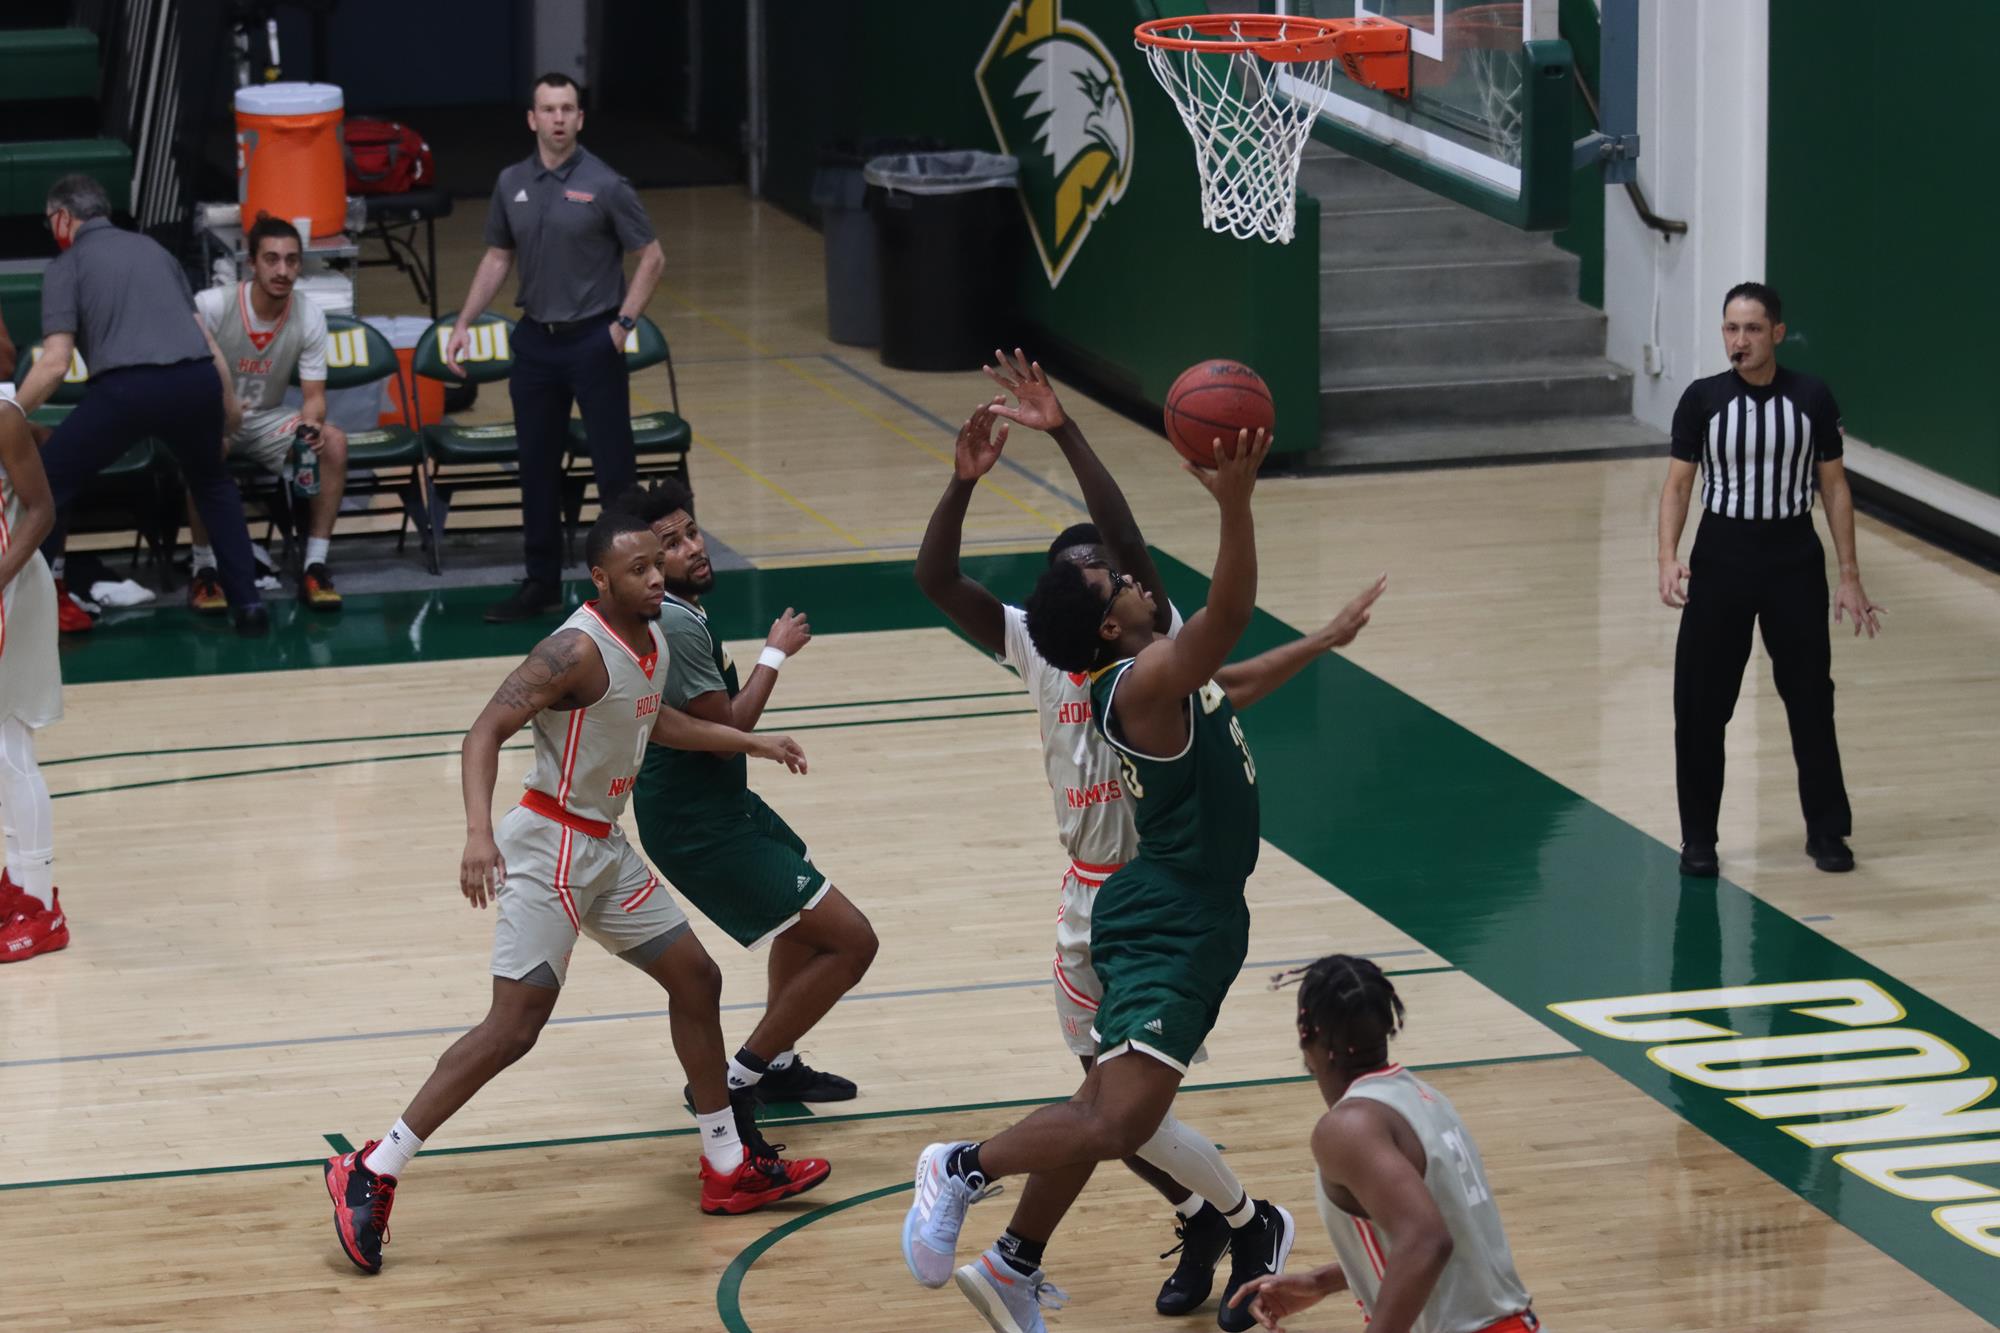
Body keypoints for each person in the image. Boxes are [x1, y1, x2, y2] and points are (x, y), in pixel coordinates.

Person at [914, 351, 1385, 1327]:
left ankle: (1047, 1247)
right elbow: (1218, 620)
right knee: (1111, 1108)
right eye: (1106, 578)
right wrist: (1234, 506)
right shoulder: (1114, 670)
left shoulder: (1155, 659)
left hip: (1165, 893)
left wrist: (1317, 642)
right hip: (1131, 898)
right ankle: (1203, 1213)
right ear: (1095, 617)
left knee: (1112, 1105)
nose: (1127, 576)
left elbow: (1224, 673)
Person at [323, 506, 829, 1276]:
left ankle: (727, 1163)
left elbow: (659, 724)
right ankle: (371, 1166)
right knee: (513, 1027)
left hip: (603, 847)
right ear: (601, 578)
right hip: (549, 847)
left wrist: (748, 740)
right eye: (638, 568)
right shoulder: (572, 651)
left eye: (658, 563)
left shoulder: (655, 638)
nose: (655, 577)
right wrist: (477, 832)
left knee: (697, 978)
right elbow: (482, 733)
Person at [624, 478, 876, 1117]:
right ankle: (738, 1079)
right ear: (646, 564)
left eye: (691, 532)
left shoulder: (680, 612)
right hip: (696, 823)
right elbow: (727, 731)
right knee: (853, 942)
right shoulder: (674, 622)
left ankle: (779, 1065)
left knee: (801, 902)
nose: (692, 548)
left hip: (716, 805)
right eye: (671, 544)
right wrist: (774, 653)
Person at [1657, 282, 1883, 878]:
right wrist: (1667, 557)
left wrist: (1849, 576)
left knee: (1811, 699)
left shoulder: (1811, 397)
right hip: (1721, 558)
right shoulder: (1702, 400)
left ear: (1777, 334)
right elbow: (1678, 484)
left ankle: (1827, 832)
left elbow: (1833, 486)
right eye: (1732, 329)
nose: (1741, 340)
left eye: (1753, 329)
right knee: (1701, 705)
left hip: (1793, 560)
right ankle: (1698, 839)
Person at [445, 71, 667, 624]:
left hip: (594, 340)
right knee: (536, 467)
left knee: (614, 473)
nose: (559, 118)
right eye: (549, 109)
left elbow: (652, 256)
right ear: (532, 118)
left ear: (580, 118)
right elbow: (498, 256)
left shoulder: (605, 183)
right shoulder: (511, 182)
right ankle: (540, 582)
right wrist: (464, 320)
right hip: (535, 343)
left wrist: (621, 325)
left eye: (568, 108)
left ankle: (629, 589)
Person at [1226, 955, 1539, 1333]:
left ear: (1305, 1033)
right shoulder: (1426, 1098)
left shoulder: (1349, 1127)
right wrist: (1323, 1281)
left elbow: (1426, 1240)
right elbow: (1448, 1236)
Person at [13, 174, 267, 636]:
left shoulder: (66, 266)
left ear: (64, 218)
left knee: (45, 484)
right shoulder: (155, 251)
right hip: (195, 381)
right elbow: (207, 342)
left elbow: (54, 364)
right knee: (213, 484)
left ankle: (32, 611)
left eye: (51, 222)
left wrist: (10, 415)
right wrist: (228, 405)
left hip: (127, 390)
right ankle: (249, 605)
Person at [190, 214, 347, 612]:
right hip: (210, 416)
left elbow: (314, 396)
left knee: (333, 442)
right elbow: (182, 376)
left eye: (291, 260)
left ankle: (315, 565)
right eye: (272, 259)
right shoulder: (212, 305)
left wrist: (311, 425)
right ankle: (204, 570)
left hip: (266, 419)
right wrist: (216, 417)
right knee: (202, 448)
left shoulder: (308, 315)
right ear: (251, 264)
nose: (282, 270)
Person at [0, 309, 68, 963]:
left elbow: (41, 509)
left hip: (13, 587)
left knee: (8, 745)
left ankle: (40, 906)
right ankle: (18, 884)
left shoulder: (4, 416)